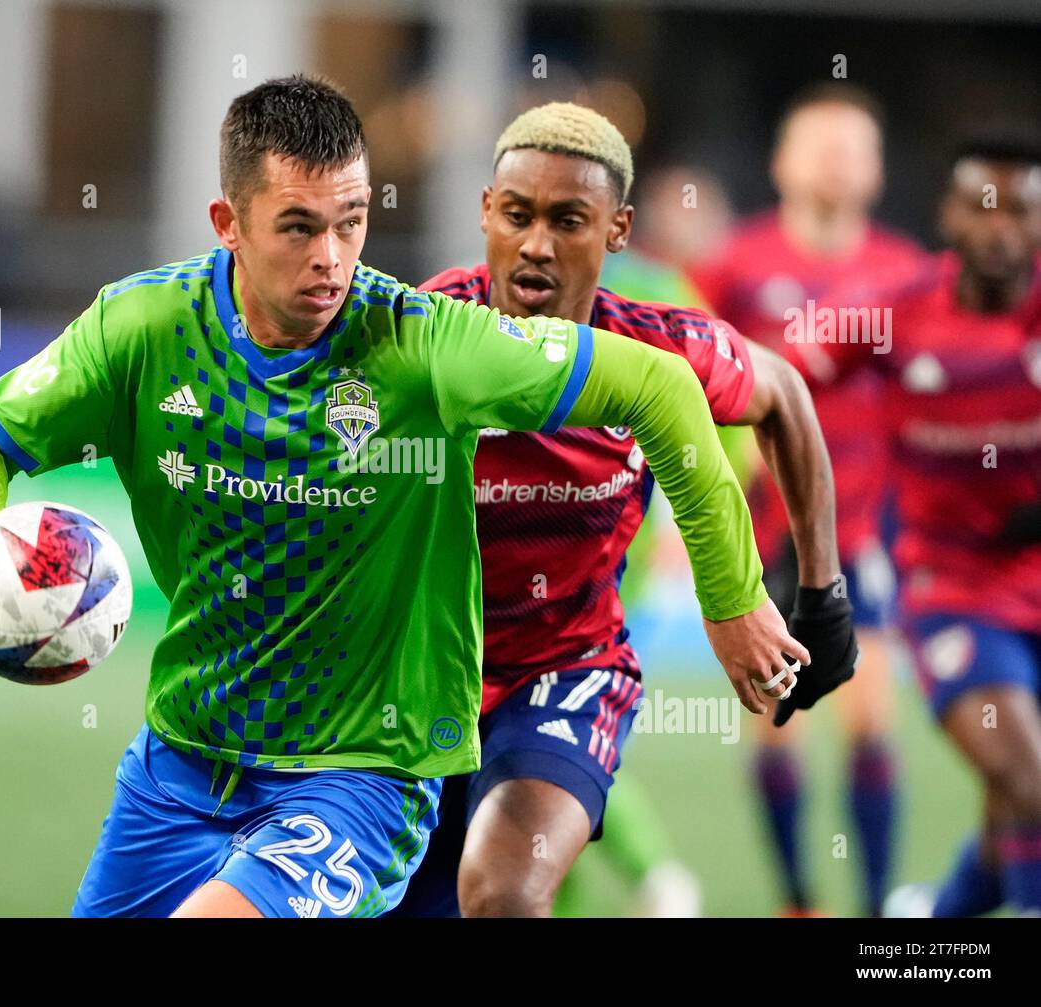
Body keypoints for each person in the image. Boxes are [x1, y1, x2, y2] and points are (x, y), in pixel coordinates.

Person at [0, 76, 808, 918]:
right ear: (227, 224)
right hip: (179, 760)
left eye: (351, 224)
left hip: (361, 775)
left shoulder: (421, 343)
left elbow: (658, 387)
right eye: (300, 227)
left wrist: (733, 599)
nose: (333, 259)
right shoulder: (139, 331)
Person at [391, 102, 857, 918]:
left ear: (618, 229)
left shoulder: (660, 345)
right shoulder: (417, 332)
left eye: (569, 219)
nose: (536, 243)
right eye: (517, 214)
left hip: (566, 668)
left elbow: (784, 393)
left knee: (503, 889)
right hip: (417, 676)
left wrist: (822, 593)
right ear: (485, 215)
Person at [793, 133, 1041, 915]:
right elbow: (774, 378)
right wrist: (802, 503)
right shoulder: (895, 313)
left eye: (1023, 211)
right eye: (982, 207)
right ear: (949, 215)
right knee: (1029, 778)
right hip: (952, 589)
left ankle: (926, 934)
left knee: (1016, 800)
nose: (1001, 228)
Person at [693, 83, 925, 916]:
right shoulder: (734, 266)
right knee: (776, 719)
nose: (836, 159)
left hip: (867, 524)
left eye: (853, 146)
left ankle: (877, 909)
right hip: (761, 531)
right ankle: (798, 899)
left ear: (876, 168)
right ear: (781, 162)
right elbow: (682, 377)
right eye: (819, 144)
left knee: (872, 717)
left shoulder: (905, 273)